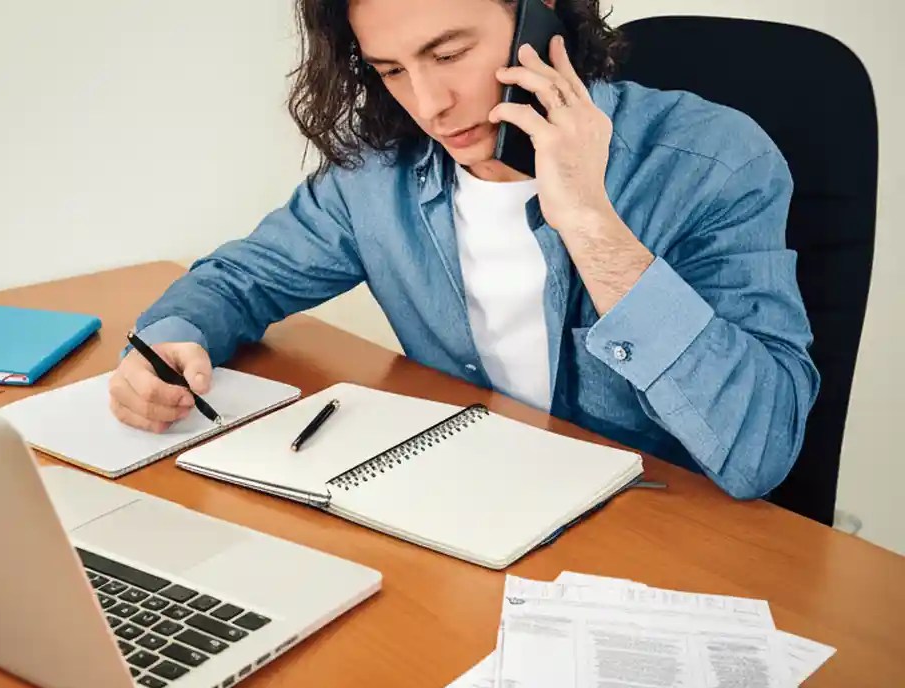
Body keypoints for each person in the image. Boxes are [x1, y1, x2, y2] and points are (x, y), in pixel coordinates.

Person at [107, 0, 818, 501]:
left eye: (449, 54)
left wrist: (591, 225)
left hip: (650, 529)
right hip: (468, 501)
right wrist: (171, 342)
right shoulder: (377, 173)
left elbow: (757, 454)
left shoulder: (715, 160)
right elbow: (240, 279)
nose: (428, 103)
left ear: (539, 17)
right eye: (390, 70)